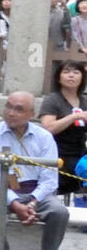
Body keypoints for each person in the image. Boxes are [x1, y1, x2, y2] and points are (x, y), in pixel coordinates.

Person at [0, 92, 69, 250]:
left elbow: (49, 179)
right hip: (2, 189)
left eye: (18, 109)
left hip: (36, 191)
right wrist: (14, 203)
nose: (11, 113)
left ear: (31, 114)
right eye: (8, 107)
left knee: (59, 212)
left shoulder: (44, 137)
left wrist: (33, 201)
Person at [38, 60, 87, 198]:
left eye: (76, 72)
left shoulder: (84, 101)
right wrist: (73, 117)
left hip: (81, 151)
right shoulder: (52, 100)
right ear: (58, 77)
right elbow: (48, 128)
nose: (71, 76)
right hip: (58, 153)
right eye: (66, 72)